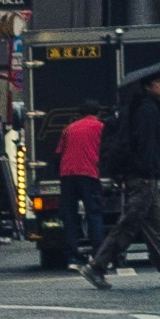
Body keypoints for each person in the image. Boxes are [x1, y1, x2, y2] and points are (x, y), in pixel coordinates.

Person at [90, 55, 160, 288]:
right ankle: (97, 266)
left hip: (145, 175)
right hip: (143, 176)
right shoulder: (148, 109)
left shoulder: (148, 107)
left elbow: (146, 141)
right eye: (158, 82)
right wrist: (148, 171)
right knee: (129, 223)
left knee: (156, 226)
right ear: (147, 85)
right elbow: (144, 145)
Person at [46, 97, 105, 277]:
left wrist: (61, 173)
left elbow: (58, 155)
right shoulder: (100, 127)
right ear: (98, 113)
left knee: (70, 217)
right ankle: (98, 256)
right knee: (93, 214)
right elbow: (108, 149)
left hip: (68, 175)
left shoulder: (69, 128)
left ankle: (73, 258)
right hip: (88, 173)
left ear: (79, 113)